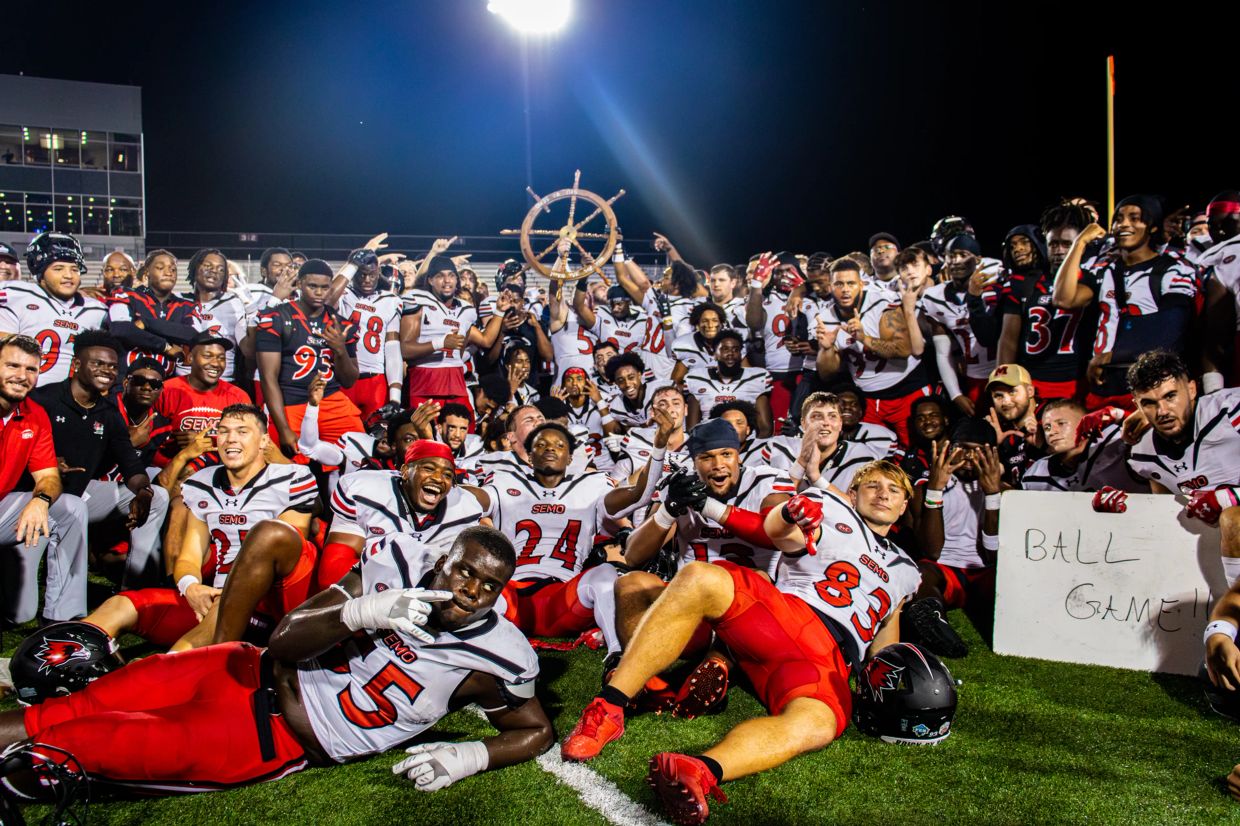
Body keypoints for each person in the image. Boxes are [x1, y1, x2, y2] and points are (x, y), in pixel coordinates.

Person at [0, 528, 551, 800]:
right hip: (238, 666)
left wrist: (474, 754)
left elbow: (535, 730)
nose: (472, 591)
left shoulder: (495, 653)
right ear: (443, 560)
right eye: (465, 573)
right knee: (55, 713)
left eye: (489, 585)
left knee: (72, 747)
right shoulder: (397, 563)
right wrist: (363, 611)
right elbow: (286, 641)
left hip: (270, 737)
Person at [561, 461, 921, 825]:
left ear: (904, 505)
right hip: (786, 618)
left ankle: (701, 770)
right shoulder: (833, 509)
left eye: (893, 490)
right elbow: (777, 531)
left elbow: (886, 644)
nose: (883, 494)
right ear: (854, 493)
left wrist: (895, 679)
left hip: (829, 662)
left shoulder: (907, 570)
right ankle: (610, 706)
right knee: (701, 577)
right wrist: (789, 511)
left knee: (818, 724)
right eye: (873, 485)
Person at [84, 404, 316, 650]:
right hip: (215, 600)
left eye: (242, 431)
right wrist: (192, 588)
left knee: (222, 608)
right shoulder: (201, 483)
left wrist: (226, 598)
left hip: (271, 610)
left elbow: (289, 551)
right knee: (121, 604)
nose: (230, 439)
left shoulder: (293, 479)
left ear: (263, 441)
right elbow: (190, 556)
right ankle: (62, 657)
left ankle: (164, 673)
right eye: (224, 431)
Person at [470, 419, 670, 658]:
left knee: (606, 572)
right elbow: (467, 498)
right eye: (541, 444)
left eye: (559, 445)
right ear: (530, 457)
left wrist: (658, 448)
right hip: (509, 595)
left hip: (563, 598)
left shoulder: (592, 485)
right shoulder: (504, 482)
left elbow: (639, 495)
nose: (550, 448)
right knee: (474, 576)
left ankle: (617, 657)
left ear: (571, 458)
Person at [31, 330, 166, 589]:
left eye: (113, 366)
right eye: (98, 363)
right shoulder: (43, 400)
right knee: (19, 608)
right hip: (34, 494)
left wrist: (143, 492)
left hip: (80, 493)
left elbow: (130, 463)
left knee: (157, 496)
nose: (107, 370)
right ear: (77, 364)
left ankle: (135, 591)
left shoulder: (109, 414)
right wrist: (45, 463)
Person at [1052, 195, 1199, 410]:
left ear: (1153, 227)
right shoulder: (1106, 270)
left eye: (1135, 218)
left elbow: (1171, 330)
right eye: (1118, 219)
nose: (1124, 224)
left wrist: (1113, 356)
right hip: (1105, 384)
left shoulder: (1174, 269)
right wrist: (1079, 243)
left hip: (1151, 385)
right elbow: (1063, 298)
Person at [1125, 350, 1240, 585]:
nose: (1162, 412)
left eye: (1170, 396)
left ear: (1192, 389)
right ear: (1137, 405)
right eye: (1149, 403)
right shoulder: (1142, 454)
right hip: (1216, 554)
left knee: (1232, 518)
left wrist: (1232, 496)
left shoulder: (1230, 410)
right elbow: (1164, 514)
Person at [0, 334, 89, 626]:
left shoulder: (34, 414)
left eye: (31, 370)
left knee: (72, 508)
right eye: (12, 366)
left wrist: (40, 500)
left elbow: (49, 477)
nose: (21, 376)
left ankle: (60, 622)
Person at [319, 439, 486, 590]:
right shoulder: (364, 490)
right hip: (369, 592)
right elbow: (332, 572)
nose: (438, 478)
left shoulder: (465, 508)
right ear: (405, 471)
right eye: (429, 468)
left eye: (447, 475)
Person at [902, 417, 1004, 658]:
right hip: (945, 572)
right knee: (922, 574)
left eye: (979, 452)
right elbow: (932, 550)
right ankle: (934, 624)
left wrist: (992, 495)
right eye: (964, 449)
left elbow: (993, 553)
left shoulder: (1005, 492)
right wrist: (936, 490)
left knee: (1010, 579)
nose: (969, 458)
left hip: (986, 572)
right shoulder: (924, 489)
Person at [816, 258, 931, 445]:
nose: (845, 289)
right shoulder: (824, 318)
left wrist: (864, 338)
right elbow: (827, 374)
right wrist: (826, 348)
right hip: (868, 398)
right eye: (839, 284)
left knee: (917, 449)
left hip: (907, 389)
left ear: (861, 284)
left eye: (851, 283)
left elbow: (903, 349)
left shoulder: (882, 304)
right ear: (830, 286)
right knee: (871, 456)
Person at [256, 259, 363, 458]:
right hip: (291, 402)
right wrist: (283, 428)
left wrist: (340, 350)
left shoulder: (341, 323)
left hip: (331, 400)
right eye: (313, 286)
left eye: (324, 287)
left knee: (358, 455)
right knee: (289, 471)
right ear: (299, 284)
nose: (319, 292)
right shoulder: (276, 317)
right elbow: (268, 378)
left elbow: (349, 381)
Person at [398, 254, 504, 417]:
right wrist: (440, 343)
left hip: (455, 381)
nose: (447, 280)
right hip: (425, 380)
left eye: (451, 275)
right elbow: (405, 350)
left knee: (465, 432)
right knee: (427, 436)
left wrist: (500, 311)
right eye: (440, 276)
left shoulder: (466, 310)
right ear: (430, 280)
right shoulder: (418, 301)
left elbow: (475, 345)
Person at [0, 232, 107, 386]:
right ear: (41, 273)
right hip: (24, 394)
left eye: (75, 269)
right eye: (58, 269)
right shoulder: (16, 294)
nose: (68, 275)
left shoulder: (97, 310)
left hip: (73, 401)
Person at [995, 225, 1088, 402]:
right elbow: (1008, 339)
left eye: (1067, 244)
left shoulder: (1089, 279)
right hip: (1034, 380)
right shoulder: (1024, 284)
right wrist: (1004, 384)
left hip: (1077, 380)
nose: (1059, 251)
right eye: (1053, 244)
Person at [920, 234, 998, 412]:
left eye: (962, 255)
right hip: (973, 377)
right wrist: (955, 394)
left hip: (1002, 370)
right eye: (951, 256)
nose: (955, 261)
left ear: (978, 259)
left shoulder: (996, 287)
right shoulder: (934, 297)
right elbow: (942, 351)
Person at [155, 331, 252, 467]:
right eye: (207, 356)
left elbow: (248, 442)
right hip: (168, 468)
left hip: (218, 471)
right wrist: (173, 441)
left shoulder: (238, 396)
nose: (215, 363)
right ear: (190, 358)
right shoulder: (167, 390)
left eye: (221, 358)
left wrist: (206, 442)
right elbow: (147, 440)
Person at [745, 251, 816, 424]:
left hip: (808, 373)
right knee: (779, 425)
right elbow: (754, 323)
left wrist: (801, 287)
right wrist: (756, 284)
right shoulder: (765, 299)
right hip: (777, 374)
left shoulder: (811, 297)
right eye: (779, 271)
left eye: (789, 270)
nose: (784, 275)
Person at [1021, 399, 1143, 493]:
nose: (1052, 432)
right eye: (1047, 427)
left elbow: (1154, 434)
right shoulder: (1036, 474)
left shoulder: (1115, 442)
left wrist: (1119, 414)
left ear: (1085, 422)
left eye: (1061, 423)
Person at [108, 249, 197, 370]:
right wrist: (165, 346)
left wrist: (146, 323)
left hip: (167, 383)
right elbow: (121, 329)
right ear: (146, 273)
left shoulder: (186, 305)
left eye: (173, 269)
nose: (168, 273)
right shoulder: (126, 294)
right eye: (160, 268)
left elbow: (192, 334)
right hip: (128, 380)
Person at [683, 329, 773, 436]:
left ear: (741, 354)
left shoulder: (758, 378)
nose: (730, 353)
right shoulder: (696, 378)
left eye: (735, 349)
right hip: (710, 441)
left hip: (747, 442)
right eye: (725, 349)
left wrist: (752, 450)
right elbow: (692, 428)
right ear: (714, 353)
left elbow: (765, 428)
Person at [181, 248, 248, 383]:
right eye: (207, 266)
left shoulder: (235, 304)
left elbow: (248, 350)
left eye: (221, 269)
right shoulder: (178, 301)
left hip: (223, 381)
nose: (214, 271)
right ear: (194, 268)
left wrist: (251, 309)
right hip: (182, 382)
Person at [671, 302, 726, 384]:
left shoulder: (734, 342)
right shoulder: (683, 345)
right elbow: (675, 383)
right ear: (697, 324)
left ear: (721, 323)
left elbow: (746, 376)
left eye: (715, 320)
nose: (710, 325)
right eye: (705, 321)